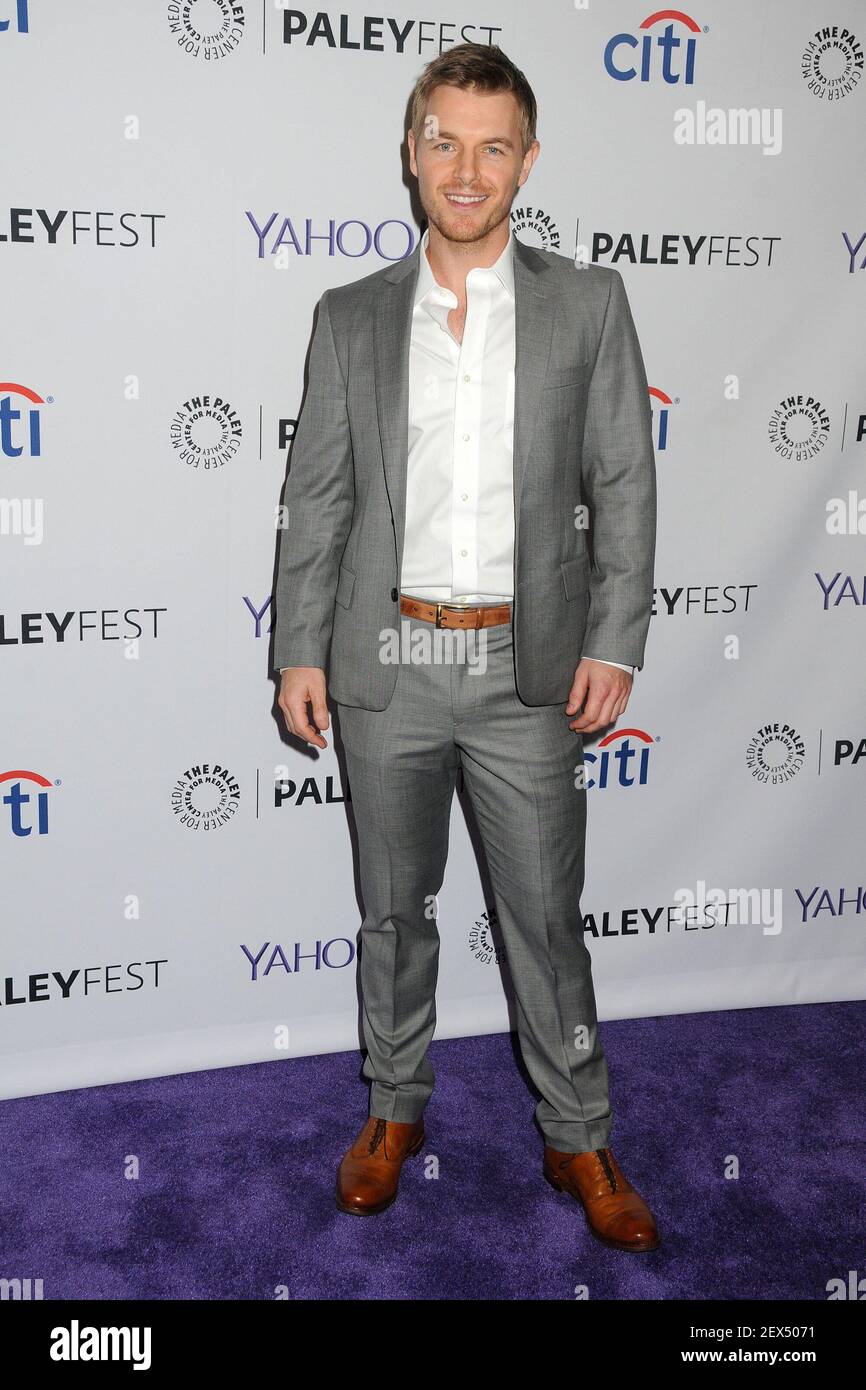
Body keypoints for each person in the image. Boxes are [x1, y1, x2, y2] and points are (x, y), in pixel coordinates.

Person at [274, 42, 659, 1252]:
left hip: (522, 669)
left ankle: (579, 1133)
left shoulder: (586, 303)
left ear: (526, 160)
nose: (465, 167)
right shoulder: (346, 318)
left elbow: (623, 483)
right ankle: (392, 1109)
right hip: (384, 658)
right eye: (443, 139)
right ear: (409, 148)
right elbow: (318, 498)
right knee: (394, 911)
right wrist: (299, 648)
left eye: (492, 145)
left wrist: (615, 638)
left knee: (544, 918)